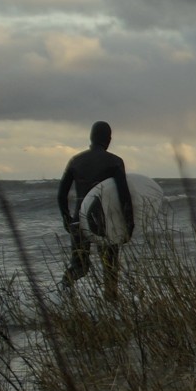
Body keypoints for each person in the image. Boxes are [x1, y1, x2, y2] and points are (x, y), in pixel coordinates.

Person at [57, 120, 134, 298]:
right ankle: (111, 306)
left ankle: (62, 294)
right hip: (105, 223)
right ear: (108, 139)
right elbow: (124, 196)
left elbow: (61, 195)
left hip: (79, 221)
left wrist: (67, 219)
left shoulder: (75, 161)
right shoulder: (115, 162)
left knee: (80, 266)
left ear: (91, 138)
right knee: (110, 269)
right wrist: (129, 224)